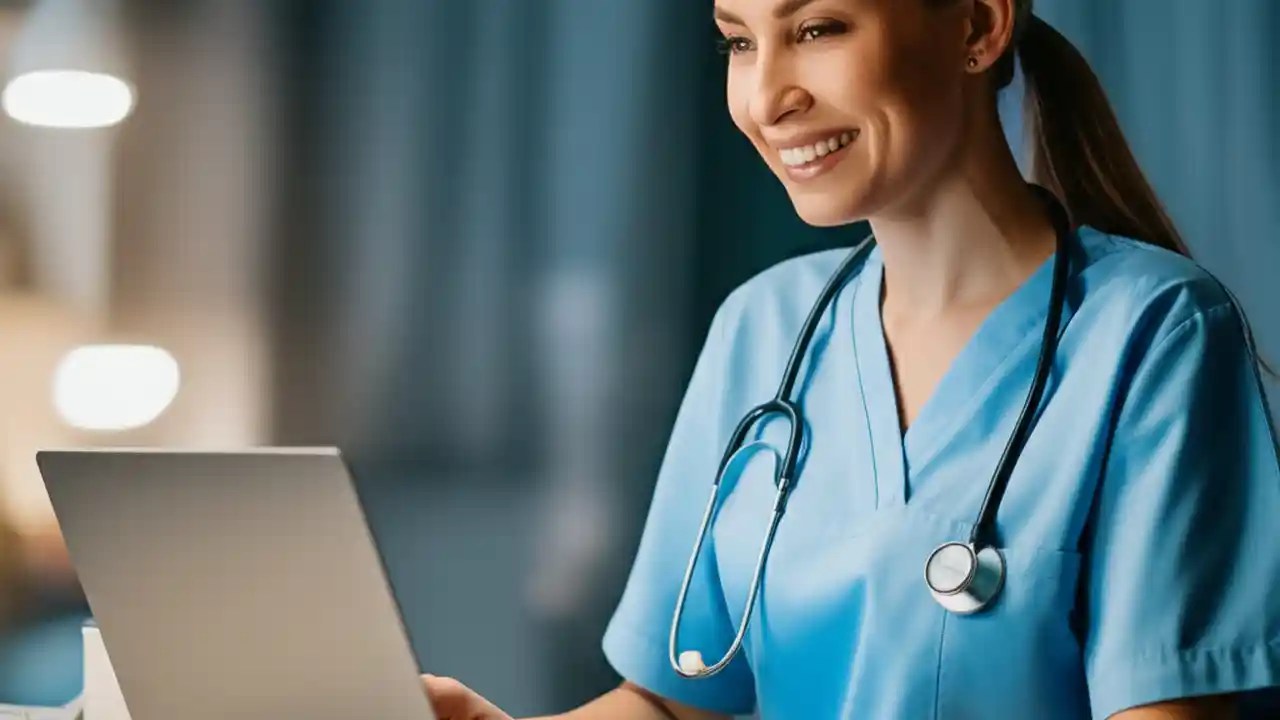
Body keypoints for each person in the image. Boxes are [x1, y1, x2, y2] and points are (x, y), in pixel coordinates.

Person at [424, 0, 1280, 717]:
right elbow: (674, 704)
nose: (766, 98)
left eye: (818, 29)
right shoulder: (761, 328)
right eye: (739, 41)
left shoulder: (1156, 331)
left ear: (978, 27)